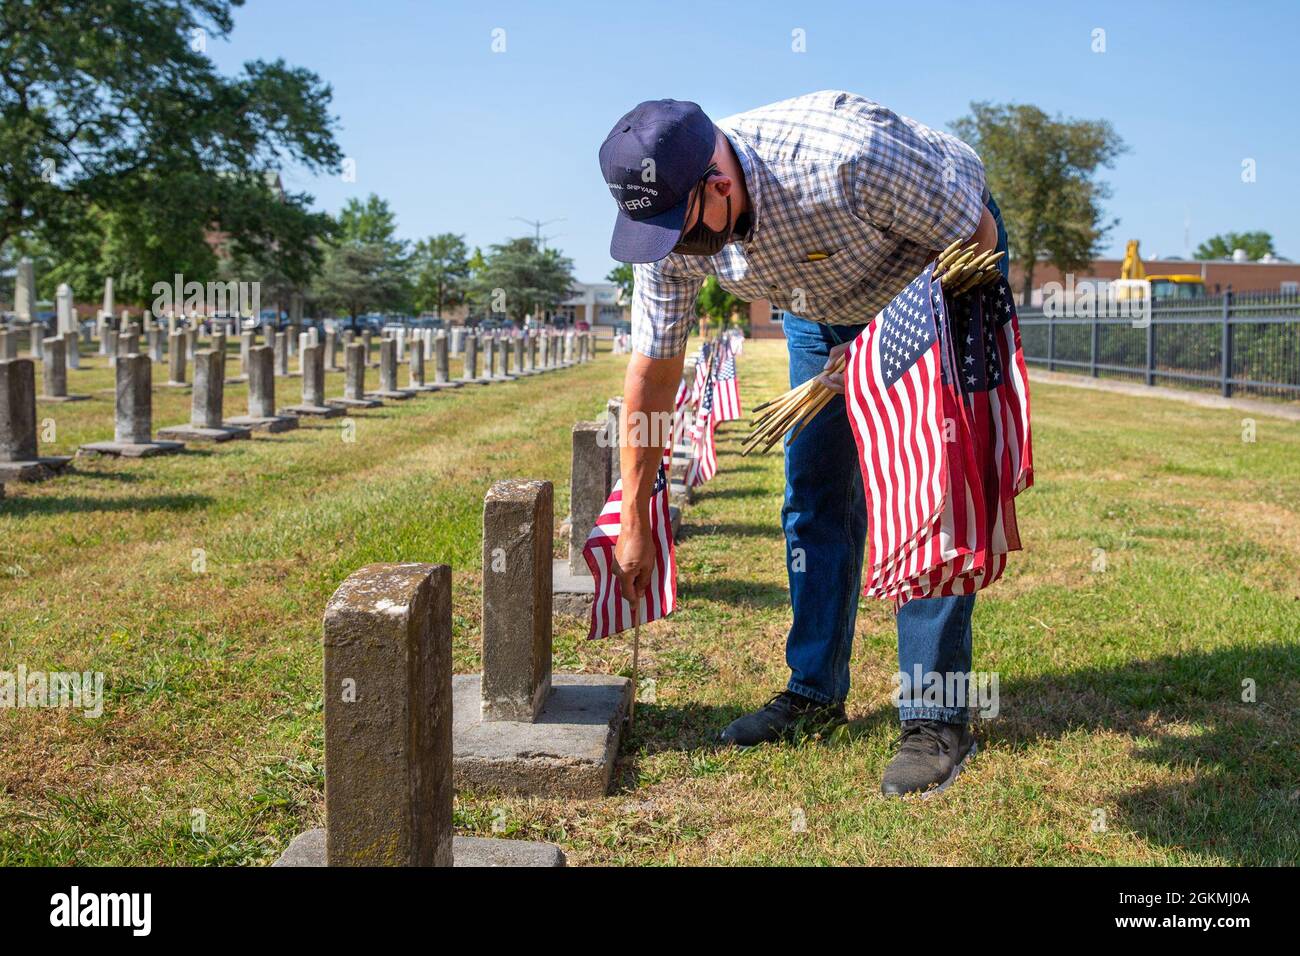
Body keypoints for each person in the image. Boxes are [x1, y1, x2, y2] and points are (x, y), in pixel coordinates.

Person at [598, 92, 1008, 796]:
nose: (673, 249)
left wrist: (886, 348)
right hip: (818, 307)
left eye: (683, 229)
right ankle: (814, 691)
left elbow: (976, 239)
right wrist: (636, 510)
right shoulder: (667, 223)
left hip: (935, 277)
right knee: (814, 492)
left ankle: (936, 715)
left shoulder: (847, 157)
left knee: (927, 497)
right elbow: (655, 370)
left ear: (719, 185)